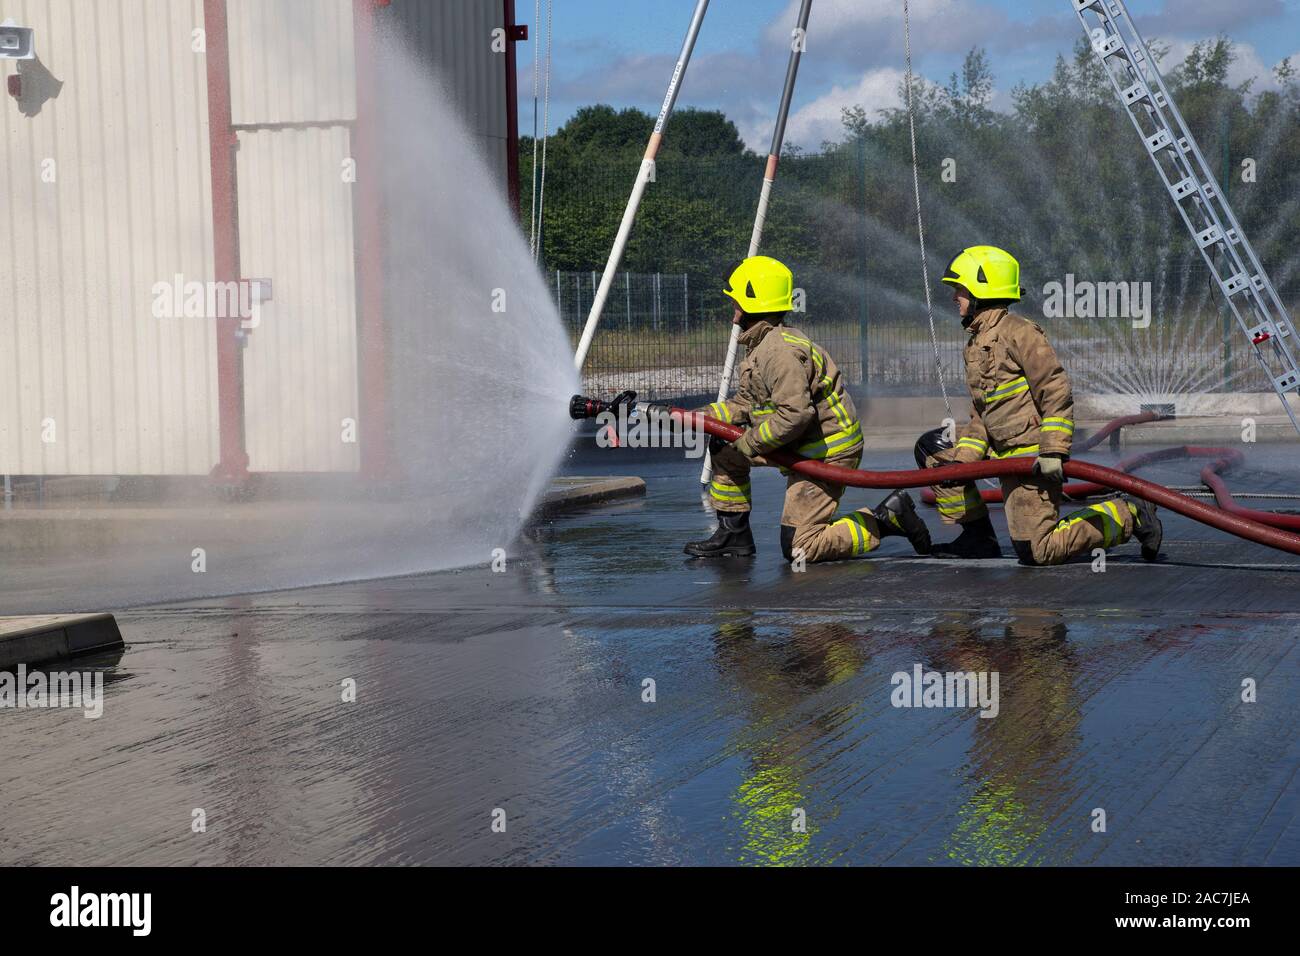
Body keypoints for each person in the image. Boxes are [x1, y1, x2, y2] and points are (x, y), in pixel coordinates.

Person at [925, 245, 1162, 564]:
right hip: (1004, 457)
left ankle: (1128, 513)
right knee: (934, 455)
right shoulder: (977, 344)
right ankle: (975, 538)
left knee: (1039, 551)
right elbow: (982, 413)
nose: (955, 297)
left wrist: (1052, 450)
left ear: (983, 289)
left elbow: (1055, 390)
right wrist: (963, 461)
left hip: (1030, 457)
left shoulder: (1020, 333)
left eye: (960, 289)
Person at [685, 255, 931, 562]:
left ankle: (884, 519)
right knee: (724, 445)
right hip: (799, 445)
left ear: (754, 304)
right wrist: (696, 418)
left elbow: (796, 415)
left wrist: (749, 442)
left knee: (799, 549)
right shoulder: (763, 346)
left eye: (736, 304)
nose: (733, 315)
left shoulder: (779, 353)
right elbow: (745, 405)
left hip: (828, 453)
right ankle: (733, 535)